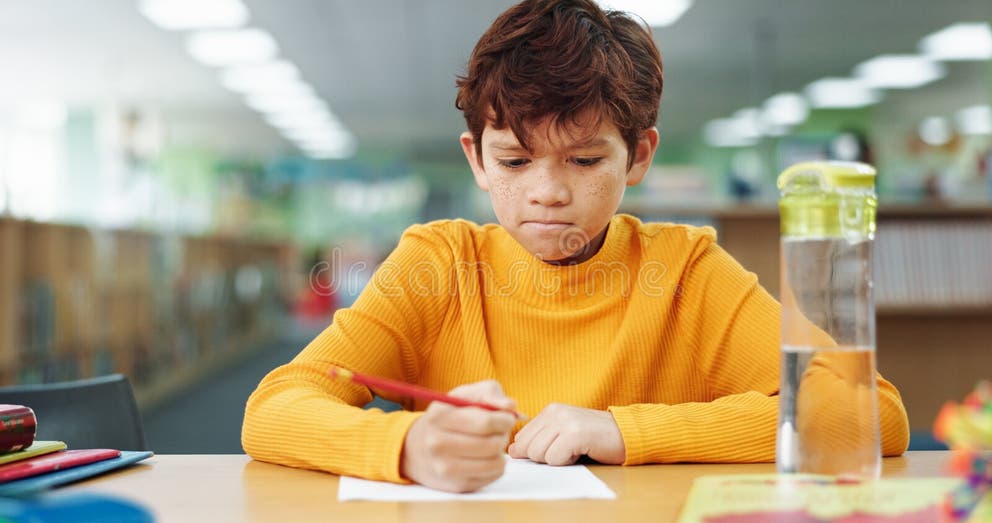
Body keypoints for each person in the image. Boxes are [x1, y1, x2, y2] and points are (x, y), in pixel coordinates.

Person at [242, 0, 909, 493]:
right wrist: (407, 442)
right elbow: (275, 408)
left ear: (638, 155)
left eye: (585, 161)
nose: (547, 193)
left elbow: (869, 413)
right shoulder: (438, 263)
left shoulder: (686, 269)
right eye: (514, 162)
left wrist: (625, 431)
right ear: (476, 158)